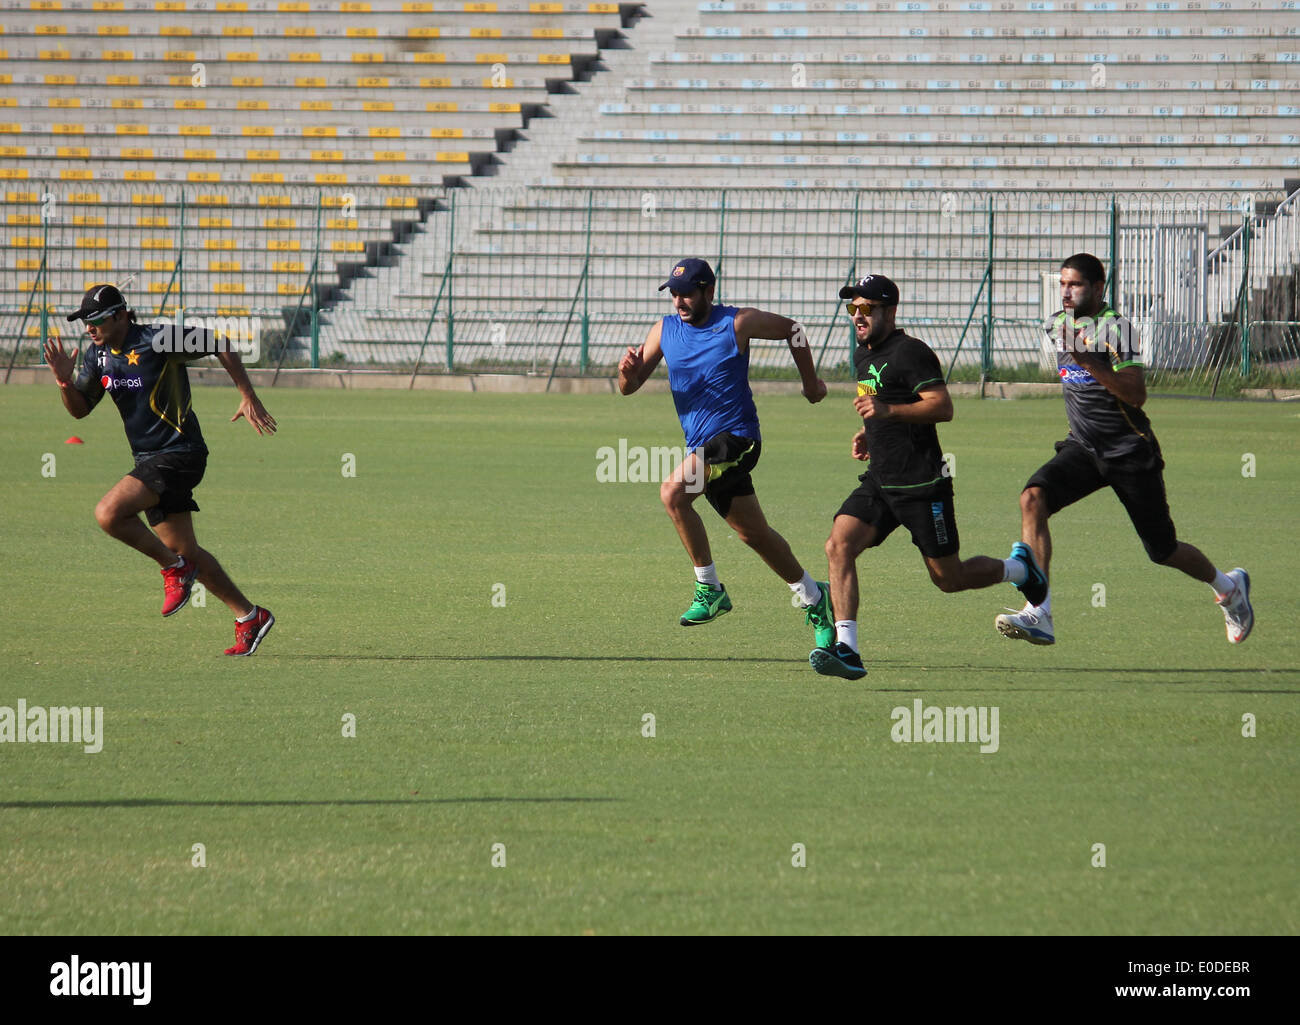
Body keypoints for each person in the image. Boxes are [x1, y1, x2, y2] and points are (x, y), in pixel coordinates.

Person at [994, 253, 1253, 646]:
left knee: (1163, 550)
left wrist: (1085, 358)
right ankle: (1040, 611)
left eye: (1075, 284)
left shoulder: (1117, 329)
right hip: (1082, 449)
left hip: (1129, 451)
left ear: (1098, 288)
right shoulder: (1057, 324)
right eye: (1063, 283)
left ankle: (1229, 587)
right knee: (1033, 499)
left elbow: (1136, 394)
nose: (1066, 291)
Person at [810, 274, 1044, 680]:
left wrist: (887, 415)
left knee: (948, 579)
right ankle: (847, 648)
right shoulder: (864, 355)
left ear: (889, 311)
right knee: (838, 545)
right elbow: (881, 402)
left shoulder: (911, 352)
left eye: (867, 309)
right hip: (881, 481)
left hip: (922, 485)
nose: (858, 316)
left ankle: (1019, 569)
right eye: (853, 308)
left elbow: (942, 406)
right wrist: (870, 432)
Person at [43, 284, 278, 656]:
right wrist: (62, 381)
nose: (90, 327)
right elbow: (79, 410)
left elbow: (221, 342)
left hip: (180, 453)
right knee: (186, 550)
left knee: (109, 513)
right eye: (85, 322)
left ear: (121, 315)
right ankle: (250, 616)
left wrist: (248, 394)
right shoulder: (97, 356)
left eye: (97, 320)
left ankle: (173, 568)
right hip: (149, 460)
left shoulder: (159, 340)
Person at [617, 258, 836, 648]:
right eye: (673, 293)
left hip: (737, 438)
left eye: (686, 293)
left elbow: (794, 331)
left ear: (709, 292)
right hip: (705, 448)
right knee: (753, 534)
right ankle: (815, 597)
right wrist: (627, 371)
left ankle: (710, 589)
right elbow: (629, 387)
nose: (679, 301)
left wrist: (810, 385)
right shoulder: (664, 331)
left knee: (673, 493)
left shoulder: (738, 322)